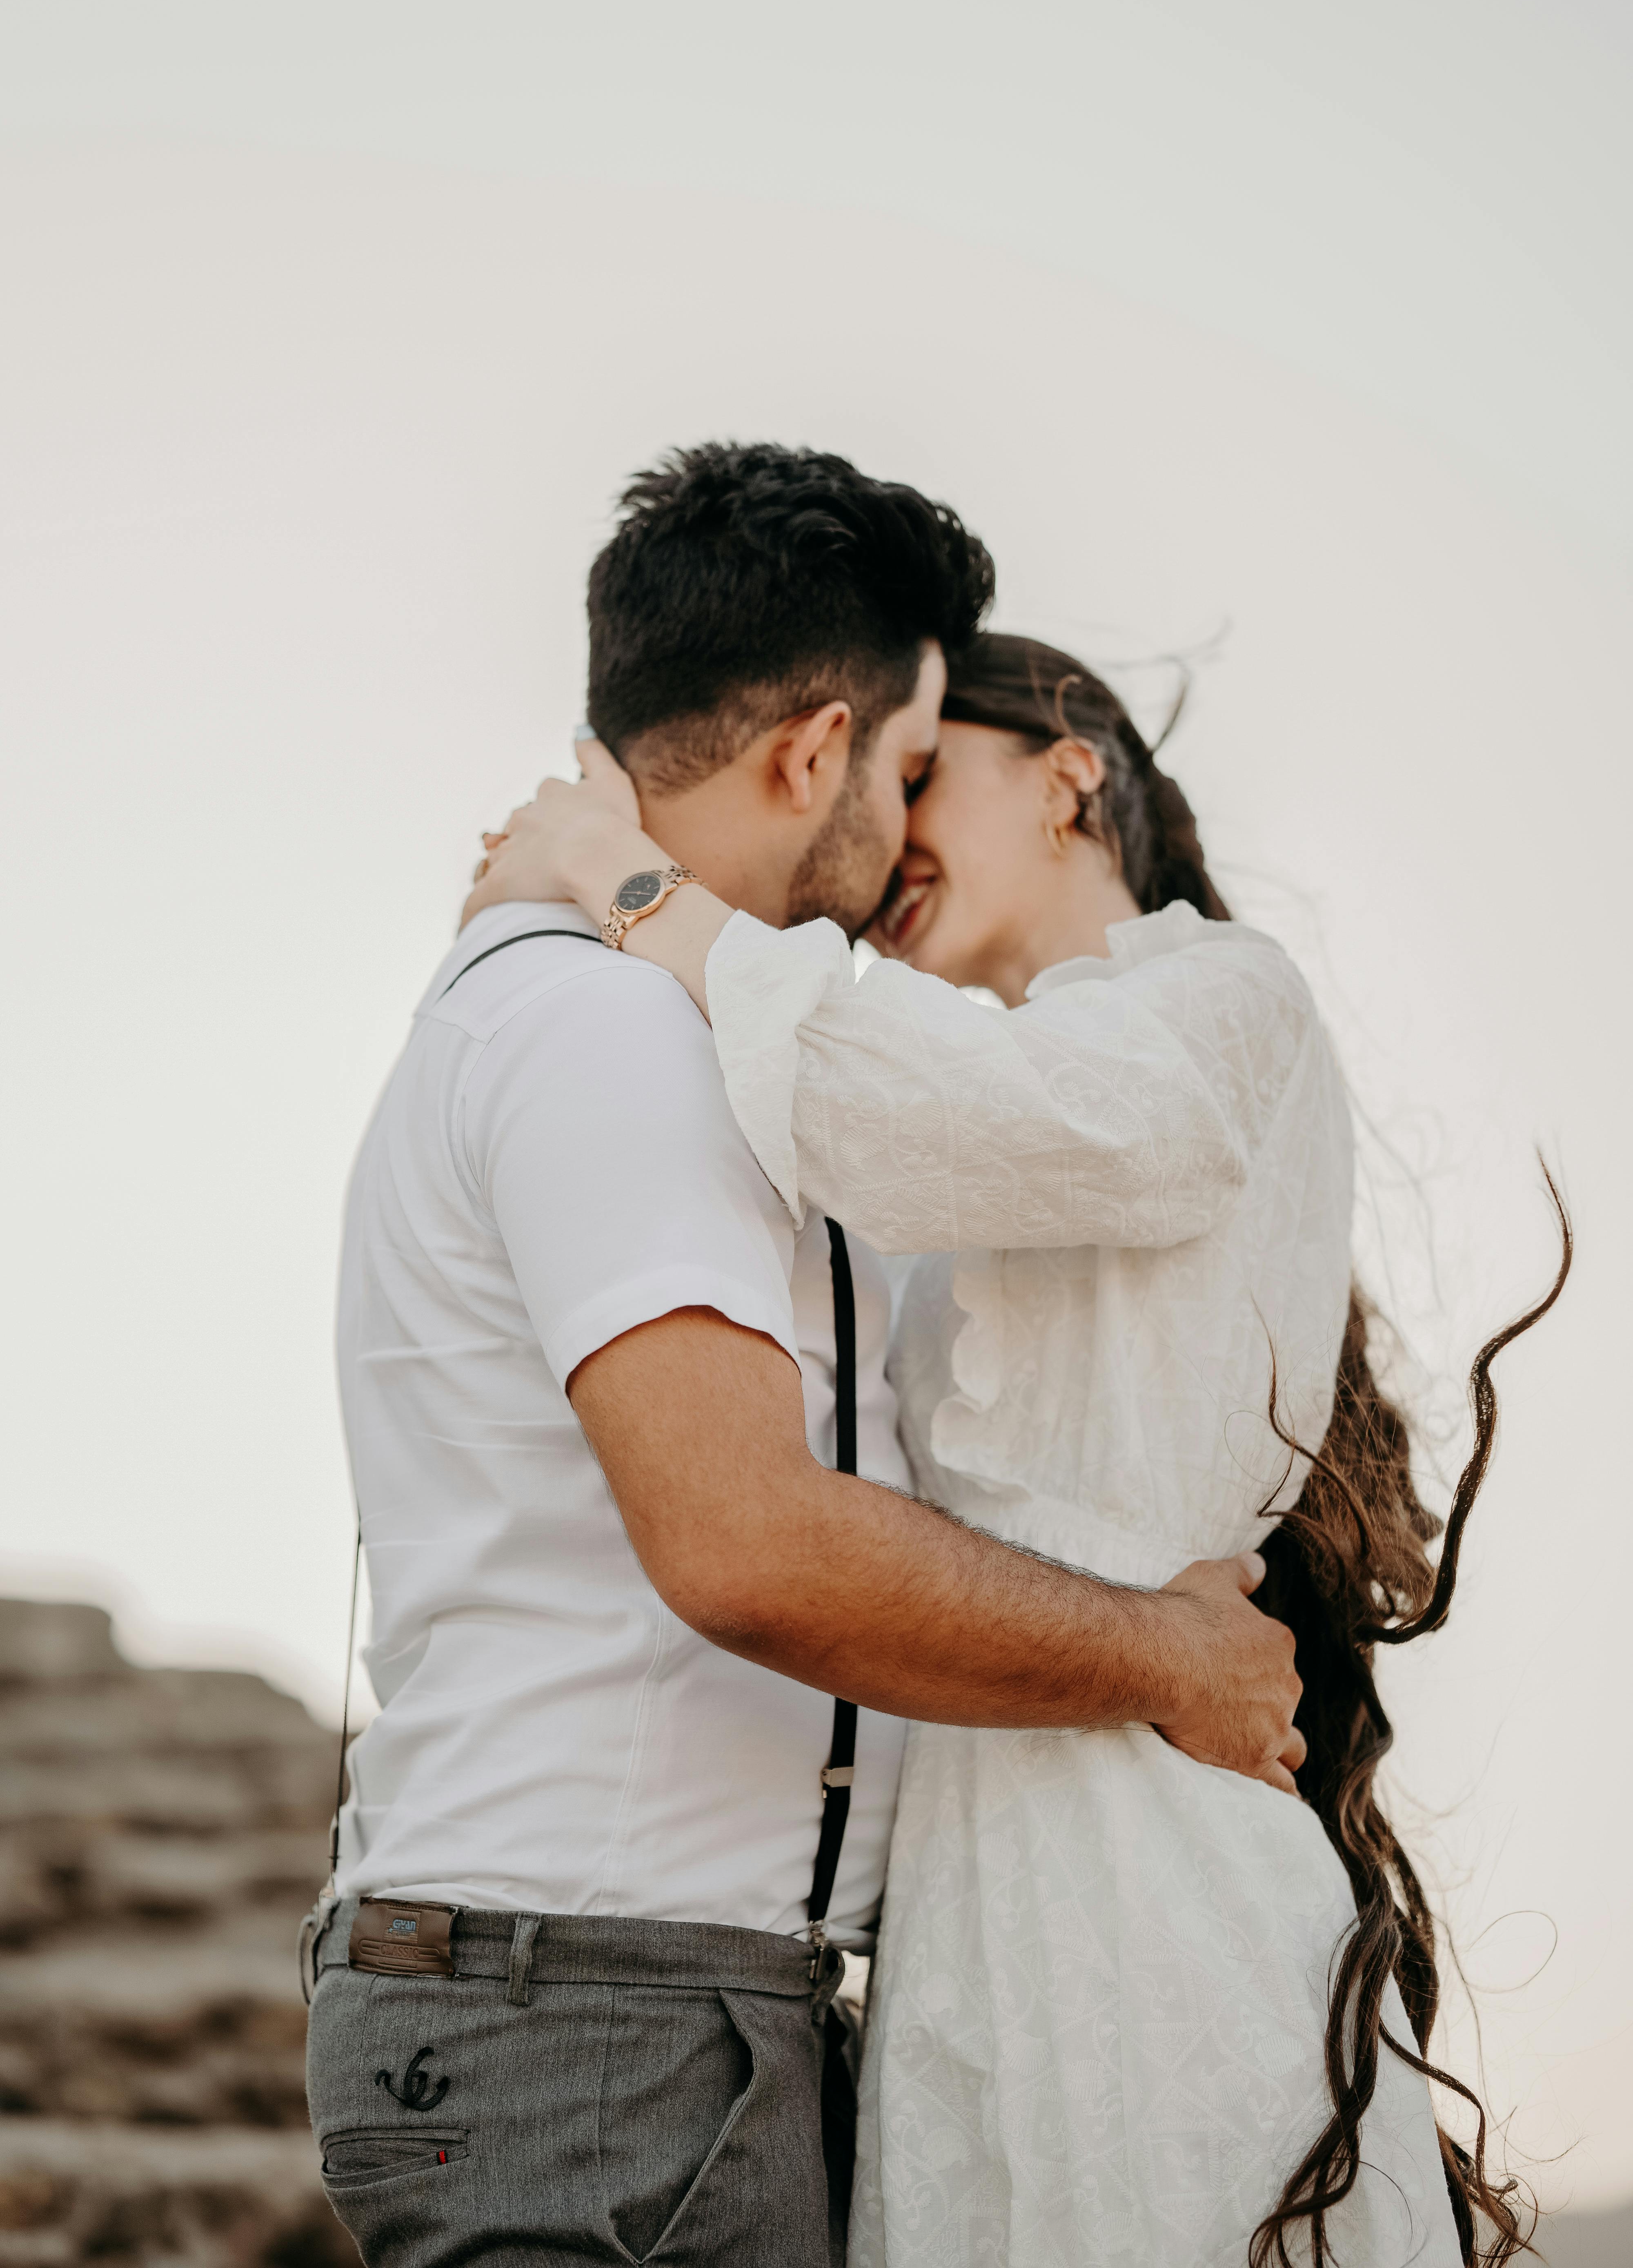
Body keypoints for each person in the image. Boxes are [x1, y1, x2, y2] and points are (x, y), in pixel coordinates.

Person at [305, 449, 1306, 2268]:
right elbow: (748, 1545)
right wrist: (1170, 1651)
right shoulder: (606, 1034)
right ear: (808, 752)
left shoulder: (666, 1026)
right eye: (907, 766)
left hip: (641, 2007)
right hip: (588, 2014)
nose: (911, 820)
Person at [471, 629, 1559, 2265]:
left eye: (923, 773)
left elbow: (965, 1112)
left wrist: (625, 885)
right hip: (977, 1890)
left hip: (1144, 1870)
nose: (887, 823)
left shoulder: (1214, 999)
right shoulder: (959, 1131)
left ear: (1069, 773)